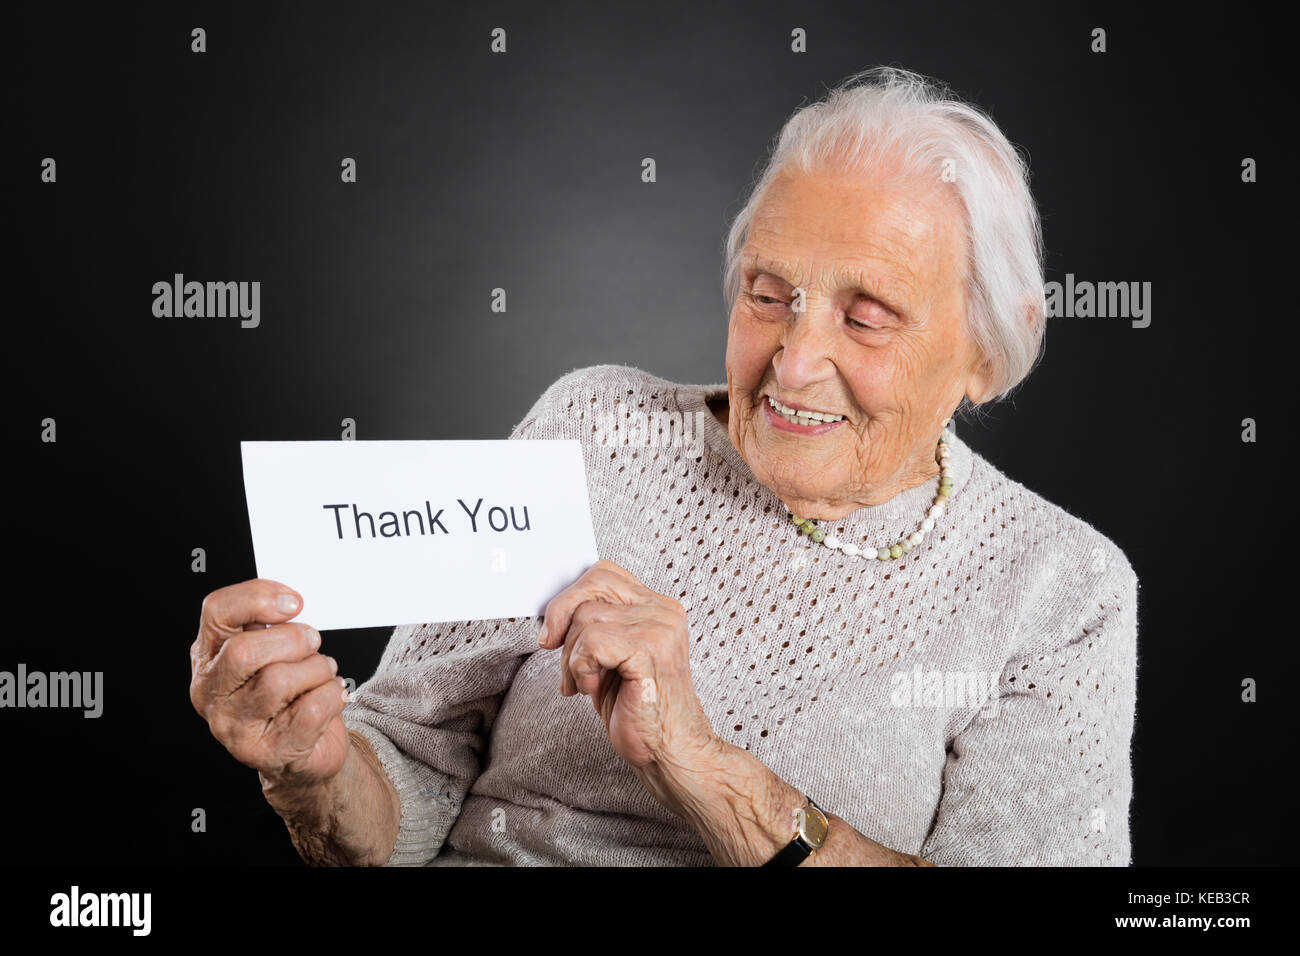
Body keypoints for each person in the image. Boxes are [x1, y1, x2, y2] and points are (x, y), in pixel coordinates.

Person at [189, 67, 1138, 866]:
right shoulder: (595, 425)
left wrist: (701, 763)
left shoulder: (1061, 589)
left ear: (984, 352)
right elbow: (409, 763)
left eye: (866, 317)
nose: (794, 361)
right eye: (769, 296)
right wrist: (315, 770)